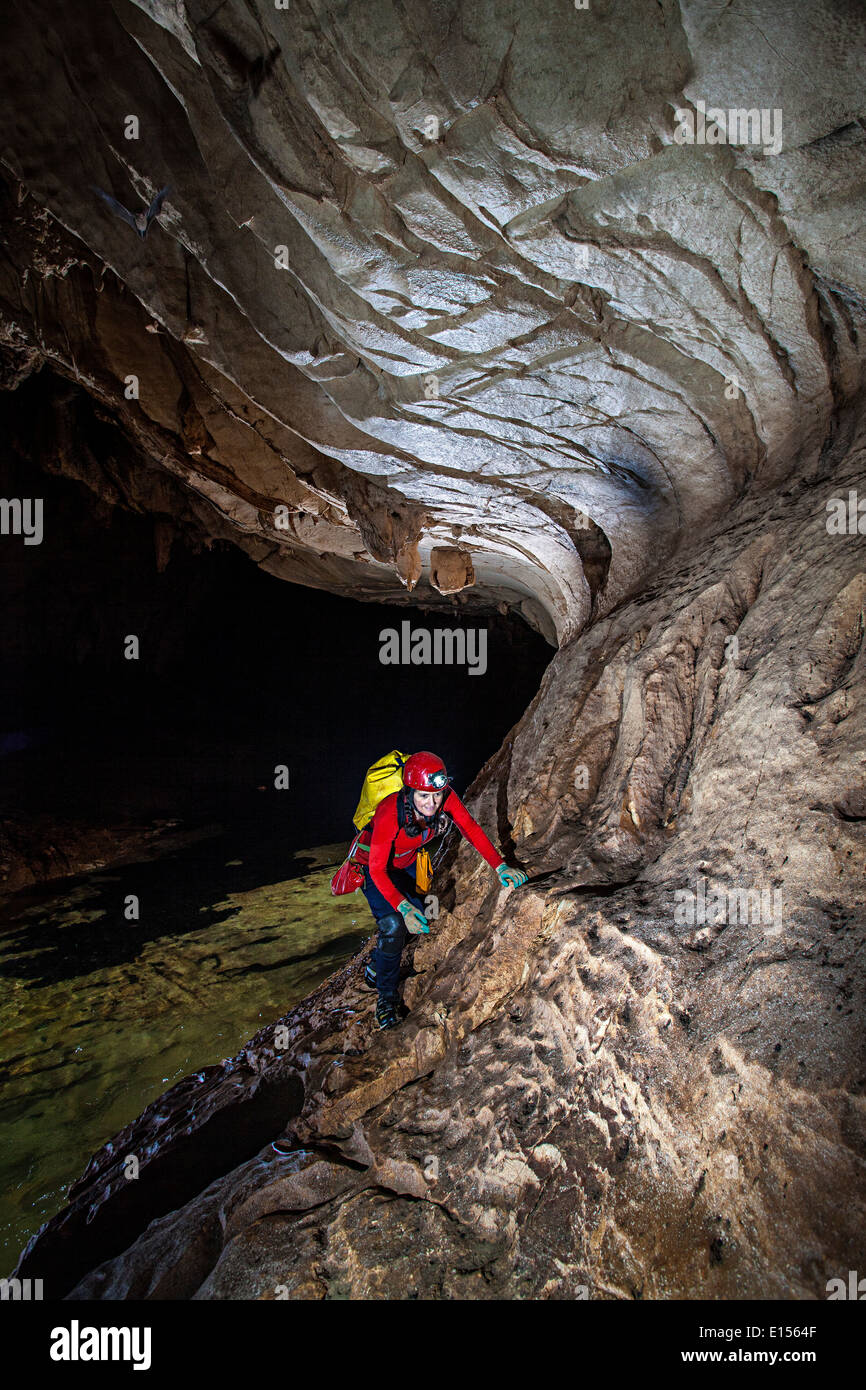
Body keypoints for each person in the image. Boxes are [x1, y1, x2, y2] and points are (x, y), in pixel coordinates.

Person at [355, 751, 528, 1030]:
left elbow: (470, 827)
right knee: (393, 924)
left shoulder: (444, 796)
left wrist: (500, 866)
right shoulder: (390, 810)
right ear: (408, 791)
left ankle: (377, 964)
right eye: (424, 796)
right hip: (373, 866)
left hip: (407, 862)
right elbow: (377, 869)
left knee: (422, 917)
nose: (432, 803)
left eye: (436, 795)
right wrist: (402, 906)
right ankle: (385, 998)